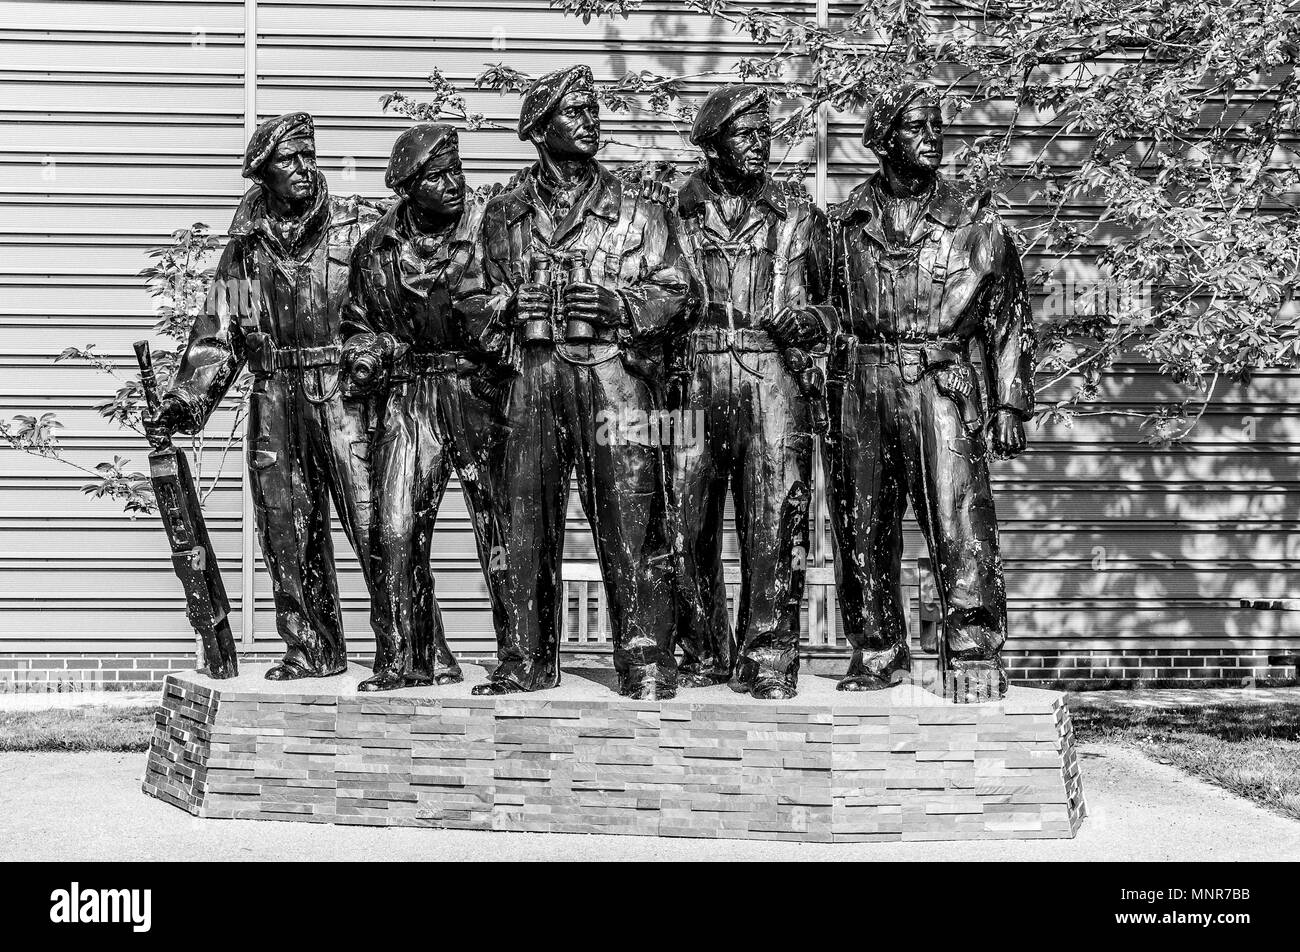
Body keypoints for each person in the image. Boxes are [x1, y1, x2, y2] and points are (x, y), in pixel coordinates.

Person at [460, 65, 698, 699]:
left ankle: (646, 660)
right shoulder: (504, 213)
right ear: (540, 129)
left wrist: (619, 304)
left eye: (595, 109)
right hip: (531, 378)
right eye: (576, 112)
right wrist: (509, 309)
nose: (592, 121)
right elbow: (472, 298)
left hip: (614, 377)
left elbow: (680, 294)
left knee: (633, 520)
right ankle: (523, 659)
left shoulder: (638, 212)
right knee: (523, 521)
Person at [145, 112, 380, 681]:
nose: (302, 167)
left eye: (307, 154)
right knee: (285, 526)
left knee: (377, 523)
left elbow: (388, 309)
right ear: (262, 173)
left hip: (343, 391)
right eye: (287, 159)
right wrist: (186, 400)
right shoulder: (247, 249)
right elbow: (221, 331)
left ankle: (411, 649)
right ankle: (310, 647)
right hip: (275, 395)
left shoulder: (357, 226)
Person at [826, 82, 1036, 701]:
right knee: (863, 522)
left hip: (941, 382)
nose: (931, 138)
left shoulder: (975, 222)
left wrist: (1009, 403)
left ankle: (973, 650)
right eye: (915, 128)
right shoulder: (845, 223)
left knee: (958, 516)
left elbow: (1011, 317)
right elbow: (822, 308)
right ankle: (876, 648)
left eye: (935, 127)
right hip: (862, 382)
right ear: (883, 142)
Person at [670, 84, 834, 700]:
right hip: (691, 372)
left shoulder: (796, 216)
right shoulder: (671, 214)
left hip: (772, 377)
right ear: (713, 144)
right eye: (746, 133)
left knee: (776, 518)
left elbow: (838, 305)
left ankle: (768, 655)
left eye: (765, 132)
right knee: (685, 519)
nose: (761, 144)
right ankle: (698, 649)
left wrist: (814, 319)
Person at [340, 123, 512, 691]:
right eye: (436, 176)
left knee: (503, 533)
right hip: (409, 398)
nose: (452, 184)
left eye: (455, 172)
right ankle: (407, 660)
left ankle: (521, 660)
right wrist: (367, 351)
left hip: (478, 391)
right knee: (394, 530)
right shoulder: (374, 249)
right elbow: (357, 324)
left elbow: (515, 305)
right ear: (408, 188)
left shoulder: (491, 231)